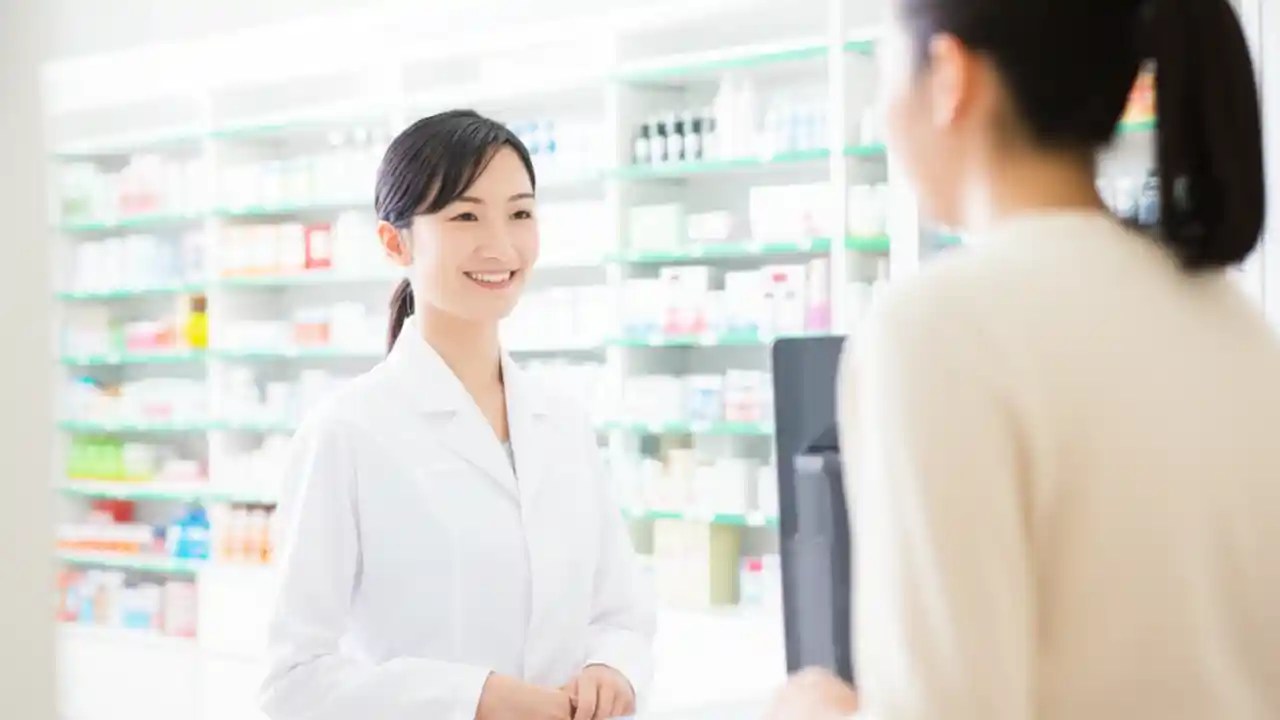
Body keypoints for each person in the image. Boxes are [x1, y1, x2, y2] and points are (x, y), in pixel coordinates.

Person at [769, 0, 1280, 718]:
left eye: (882, 72)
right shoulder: (1237, 327)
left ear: (949, 78)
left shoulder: (938, 331)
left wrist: (817, 710)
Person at [260, 110, 654, 720]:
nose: (501, 246)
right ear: (395, 242)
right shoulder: (346, 432)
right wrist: (472, 698)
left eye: (520, 214)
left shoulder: (562, 423)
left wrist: (612, 667)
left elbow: (620, 614)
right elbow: (292, 683)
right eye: (466, 216)